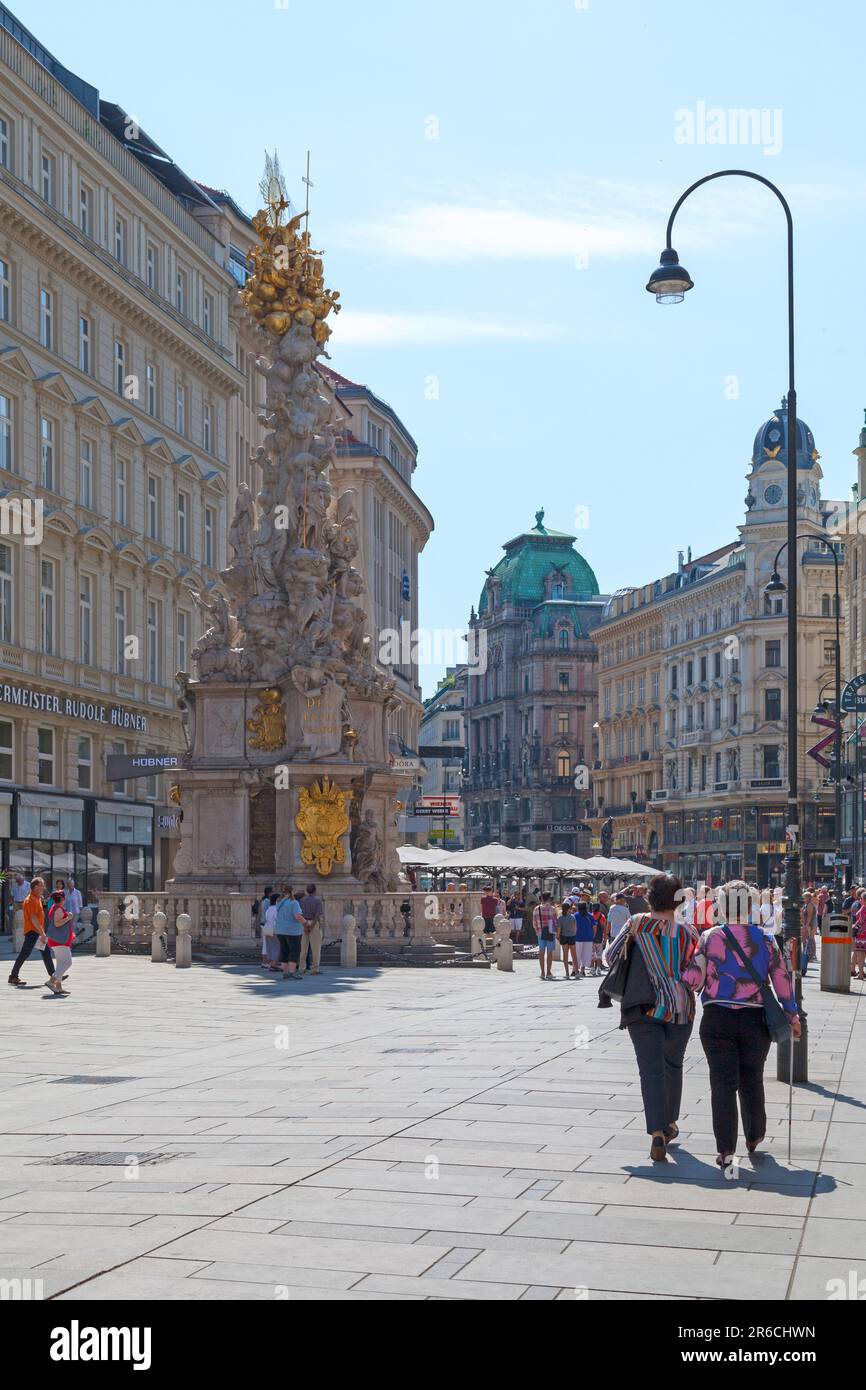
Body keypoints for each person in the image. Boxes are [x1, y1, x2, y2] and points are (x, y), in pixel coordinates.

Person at [682, 879, 800, 1169]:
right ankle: (754, 1135)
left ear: (721, 906)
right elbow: (782, 979)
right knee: (752, 1078)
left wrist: (681, 974)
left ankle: (725, 1150)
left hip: (717, 1019)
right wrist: (792, 1013)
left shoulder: (709, 937)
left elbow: (694, 978)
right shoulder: (766, 939)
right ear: (749, 907)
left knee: (722, 1084)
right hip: (755, 1020)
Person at [603, 873, 698, 1162]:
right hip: (680, 1007)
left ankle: (657, 1131)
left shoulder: (636, 923)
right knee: (673, 1065)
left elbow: (609, 956)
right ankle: (669, 1123)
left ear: (650, 898)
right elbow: (695, 975)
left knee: (650, 1071)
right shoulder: (689, 932)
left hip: (643, 1005)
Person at [7, 876, 53, 987]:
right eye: (42, 885)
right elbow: (33, 917)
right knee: (25, 954)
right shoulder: (31, 899)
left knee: (46, 952)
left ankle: (54, 975)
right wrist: (42, 933)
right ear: (36, 886)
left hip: (36, 931)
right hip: (33, 932)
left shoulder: (37, 898)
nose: (44, 887)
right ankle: (13, 976)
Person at [44, 891, 75, 996]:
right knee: (67, 962)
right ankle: (51, 981)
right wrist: (68, 918)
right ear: (62, 899)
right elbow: (57, 923)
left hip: (57, 941)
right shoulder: (58, 909)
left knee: (60, 964)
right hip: (60, 941)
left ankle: (59, 987)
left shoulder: (54, 907)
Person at [274, 886, 306, 979]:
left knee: (284, 951)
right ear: (292, 892)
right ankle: (292, 972)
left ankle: (286, 972)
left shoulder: (279, 902)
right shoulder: (294, 902)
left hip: (280, 930)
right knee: (294, 951)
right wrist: (305, 922)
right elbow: (297, 916)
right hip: (292, 931)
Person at [298, 884, 324, 975]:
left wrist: (305, 925)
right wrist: (312, 926)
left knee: (303, 948)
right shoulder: (317, 900)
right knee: (315, 948)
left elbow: (299, 914)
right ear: (315, 890)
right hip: (314, 923)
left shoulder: (302, 900)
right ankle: (315, 969)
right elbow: (317, 915)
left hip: (304, 923)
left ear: (307, 891)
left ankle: (302, 968)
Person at [532, 892, 557, 980]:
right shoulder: (552, 909)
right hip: (550, 932)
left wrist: (537, 931)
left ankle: (542, 972)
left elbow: (534, 922)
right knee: (549, 952)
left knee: (541, 952)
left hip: (540, 932)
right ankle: (549, 972)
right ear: (549, 898)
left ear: (541, 898)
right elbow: (555, 922)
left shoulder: (536, 909)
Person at [558, 900, 578, 979]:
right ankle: (576, 972)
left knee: (565, 956)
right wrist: (573, 934)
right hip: (571, 937)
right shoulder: (572, 917)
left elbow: (559, 929)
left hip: (564, 937)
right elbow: (575, 928)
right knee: (574, 956)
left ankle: (567, 973)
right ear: (569, 909)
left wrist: (558, 937)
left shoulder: (560, 918)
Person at [590, 896, 608, 976]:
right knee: (599, 954)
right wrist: (605, 938)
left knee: (592, 954)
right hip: (599, 938)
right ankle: (598, 969)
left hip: (591, 938)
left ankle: (592, 969)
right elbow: (604, 928)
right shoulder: (602, 916)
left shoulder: (590, 916)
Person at [800, 891, 817, 977]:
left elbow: (810, 916)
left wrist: (807, 925)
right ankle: (809, 955)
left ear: (808, 897)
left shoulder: (810, 904)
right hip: (808, 924)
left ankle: (811, 955)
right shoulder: (806, 904)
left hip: (810, 924)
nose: (803, 899)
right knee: (807, 941)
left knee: (810, 939)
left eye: (804, 897)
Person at [851, 896, 866, 980]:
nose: (860, 900)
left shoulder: (864, 908)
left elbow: (861, 920)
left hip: (861, 934)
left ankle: (860, 974)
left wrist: (854, 926)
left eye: (861, 898)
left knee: (860, 955)